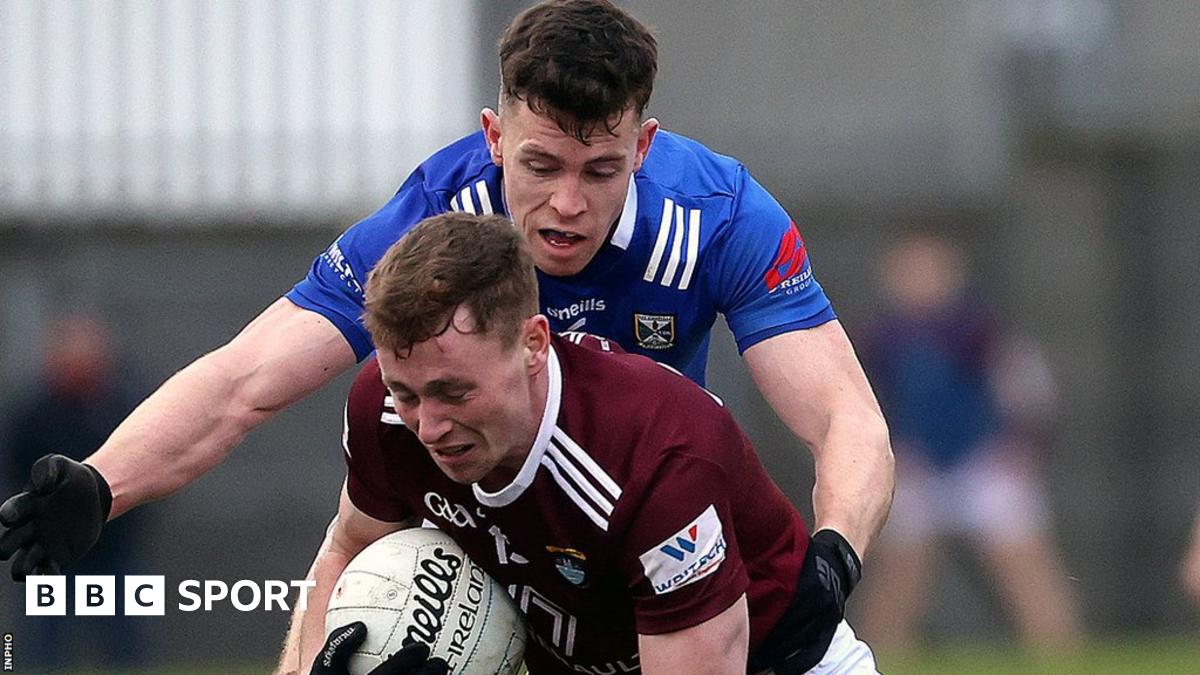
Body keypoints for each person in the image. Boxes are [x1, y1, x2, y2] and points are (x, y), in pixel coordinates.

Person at [0, 0, 892, 614]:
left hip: (651, 545)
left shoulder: (718, 218)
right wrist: (105, 480)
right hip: (488, 565)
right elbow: (248, 379)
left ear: (645, 145)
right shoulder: (434, 217)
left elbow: (844, 413)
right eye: (540, 166)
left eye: (602, 170)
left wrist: (836, 549)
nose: (569, 205)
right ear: (493, 136)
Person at [281, 212, 879, 674]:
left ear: (534, 345)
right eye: (407, 392)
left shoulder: (657, 464)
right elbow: (347, 548)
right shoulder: (384, 413)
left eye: (454, 392)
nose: (429, 425)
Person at [855, 233, 1081, 650]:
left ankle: (1060, 655)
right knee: (898, 580)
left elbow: (1029, 390)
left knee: (1026, 570)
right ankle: (884, 656)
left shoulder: (979, 330)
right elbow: (866, 404)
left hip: (983, 462)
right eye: (907, 272)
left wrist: (1021, 447)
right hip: (916, 468)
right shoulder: (881, 338)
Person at [2, 314, 151, 667]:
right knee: (41, 651)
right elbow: (14, 468)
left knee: (127, 649)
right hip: (52, 553)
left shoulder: (122, 406)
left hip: (113, 549)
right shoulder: (34, 412)